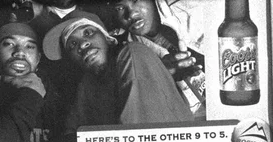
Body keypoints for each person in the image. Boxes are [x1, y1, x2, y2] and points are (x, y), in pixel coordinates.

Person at [44, 11, 197, 135]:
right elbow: (72, 133)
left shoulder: (133, 54)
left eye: (88, 32)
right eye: (72, 44)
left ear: (107, 37)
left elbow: (136, 140)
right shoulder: (88, 85)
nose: (83, 44)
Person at [0, 17, 53, 142]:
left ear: (38, 59)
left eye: (29, 46)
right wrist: (31, 94)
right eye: (9, 44)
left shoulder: (56, 97)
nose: (20, 52)